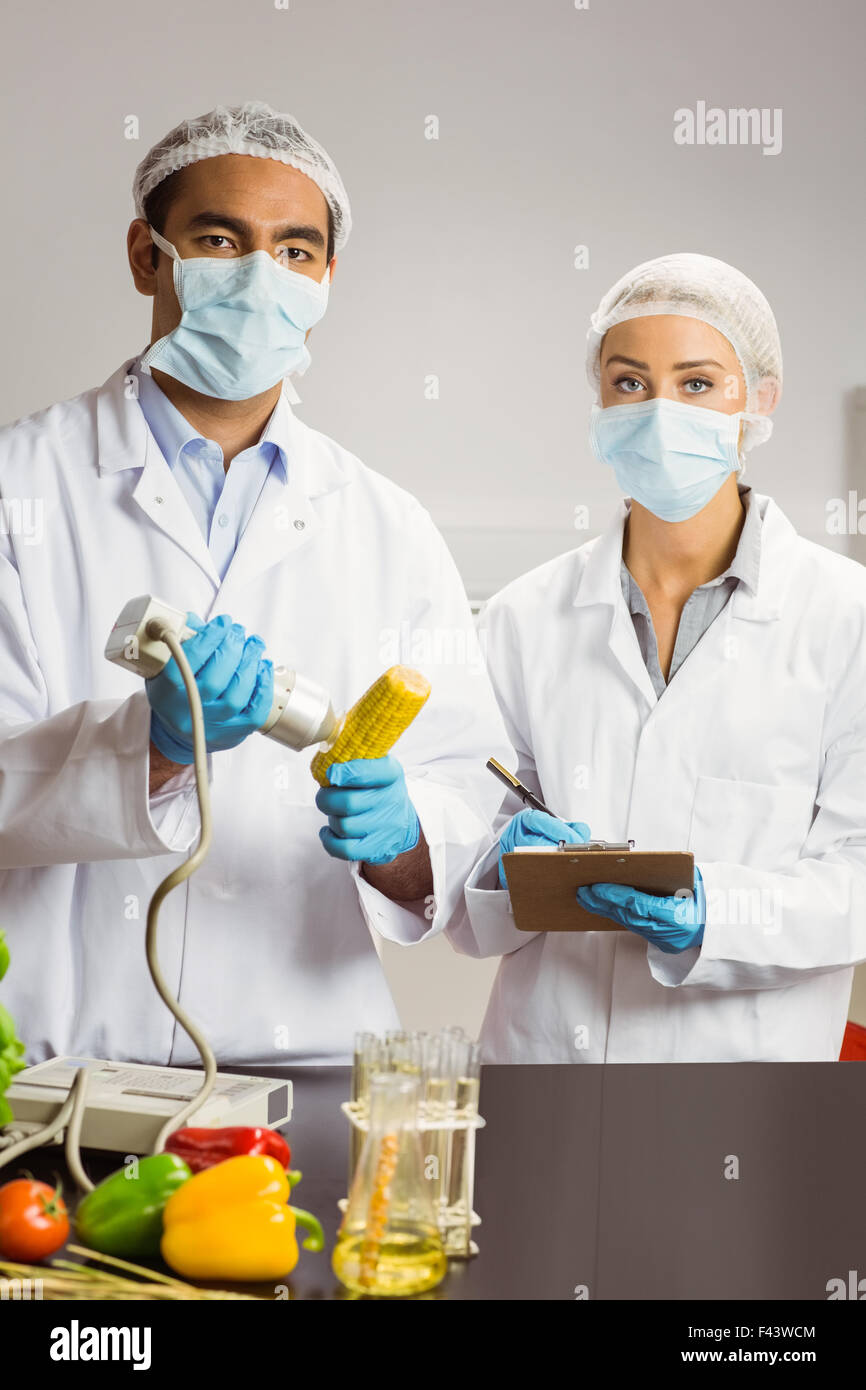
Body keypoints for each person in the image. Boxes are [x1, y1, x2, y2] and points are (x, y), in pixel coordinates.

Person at [0, 101, 512, 1066]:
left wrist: (404, 837)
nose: (260, 275)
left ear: (326, 281)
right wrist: (149, 749)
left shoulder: (388, 525)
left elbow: (462, 816)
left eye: (295, 250)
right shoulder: (17, 489)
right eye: (220, 240)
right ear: (147, 256)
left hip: (305, 1067)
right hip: (57, 1073)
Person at [448, 252, 866, 1062]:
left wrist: (717, 909)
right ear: (600, 402)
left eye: (697, 383)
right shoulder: (523, 618)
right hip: (546, 1068)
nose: (660, 412)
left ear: (760, 400)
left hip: (745, 1084)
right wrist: (497, 865)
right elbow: (467, 898)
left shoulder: (848, 617)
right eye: (630, 382)